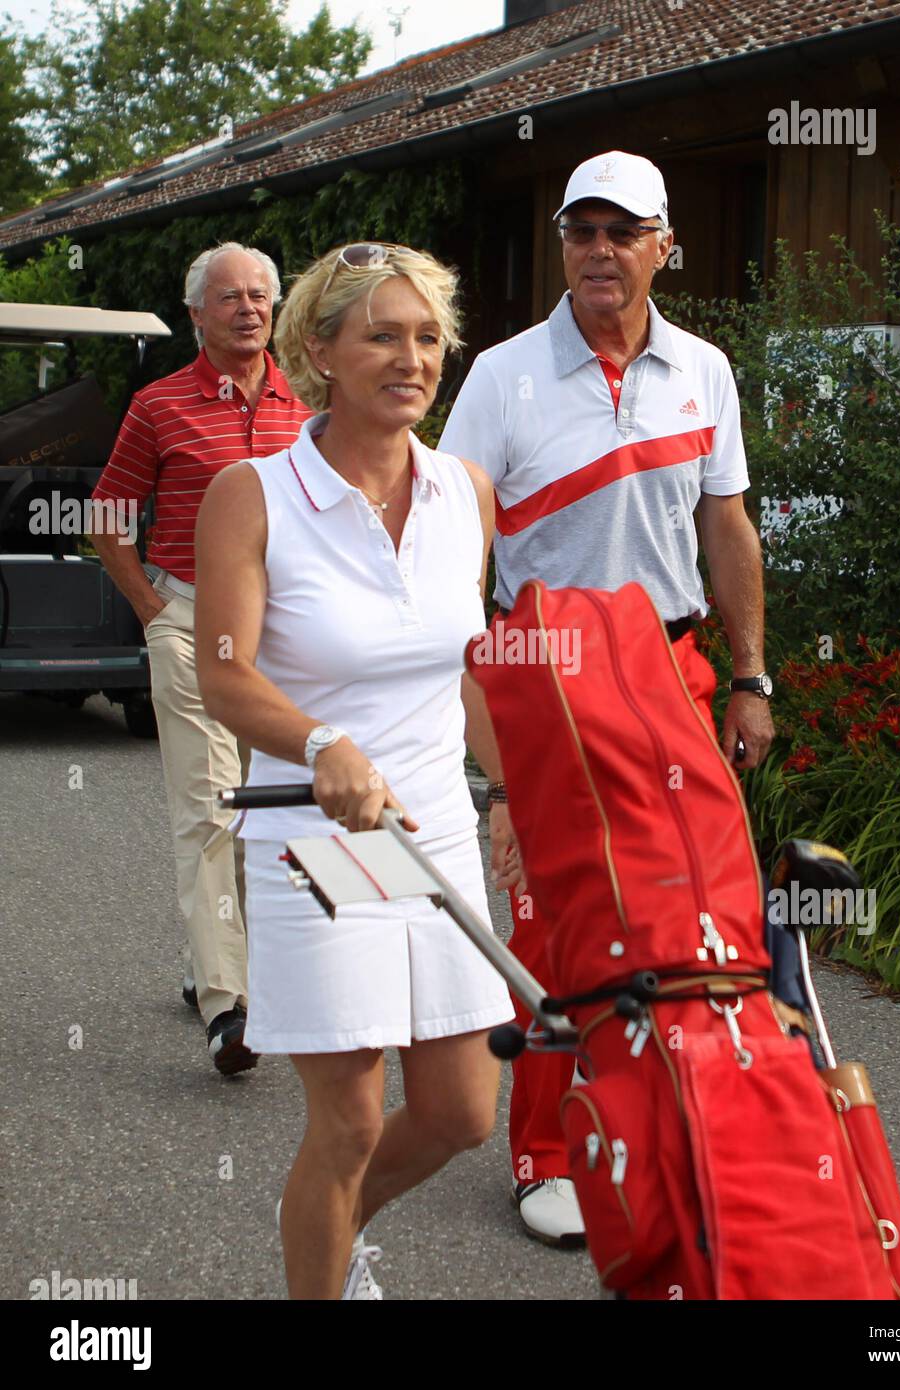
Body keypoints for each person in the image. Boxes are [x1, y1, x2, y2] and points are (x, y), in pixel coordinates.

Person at [439, 150, 775, 1245]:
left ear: (662, 246)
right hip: (546, 673)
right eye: (580, 229)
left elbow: (725, 527)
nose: (598, 249)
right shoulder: (500, 374)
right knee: (550, 910)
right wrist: (476, 724)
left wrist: (749, 674)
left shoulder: (704, 370)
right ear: (562, 245)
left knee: (682, 904)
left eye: (622, 231)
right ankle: (550, 1148)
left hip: (670, 667)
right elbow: (455, 542)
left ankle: (672, 1114)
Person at [194, 242, 515, 1299]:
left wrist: (510, 791)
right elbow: (227, 678)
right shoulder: (254, 493)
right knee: (349, 1119)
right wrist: (323, 741)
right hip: (318, 839)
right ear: (321, 349)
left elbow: (467, 668)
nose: (412, 358)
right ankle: (320, 1265)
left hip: (434, 835)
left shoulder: (466, 490)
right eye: (383, 334)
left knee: (465, 1111)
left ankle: (326, 1227)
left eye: (428, 337)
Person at [90, 242, 312, 1075]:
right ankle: (230, 1005)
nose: (249, 308)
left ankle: (216, 964)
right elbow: (109, 513)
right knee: (213, 810)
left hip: (284, 635)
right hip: (188, 620)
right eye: (230, 298)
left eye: (261, 295)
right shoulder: (158, 406)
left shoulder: (311, 404)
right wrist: (153, 611)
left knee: (277, 811)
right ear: (196, 315)